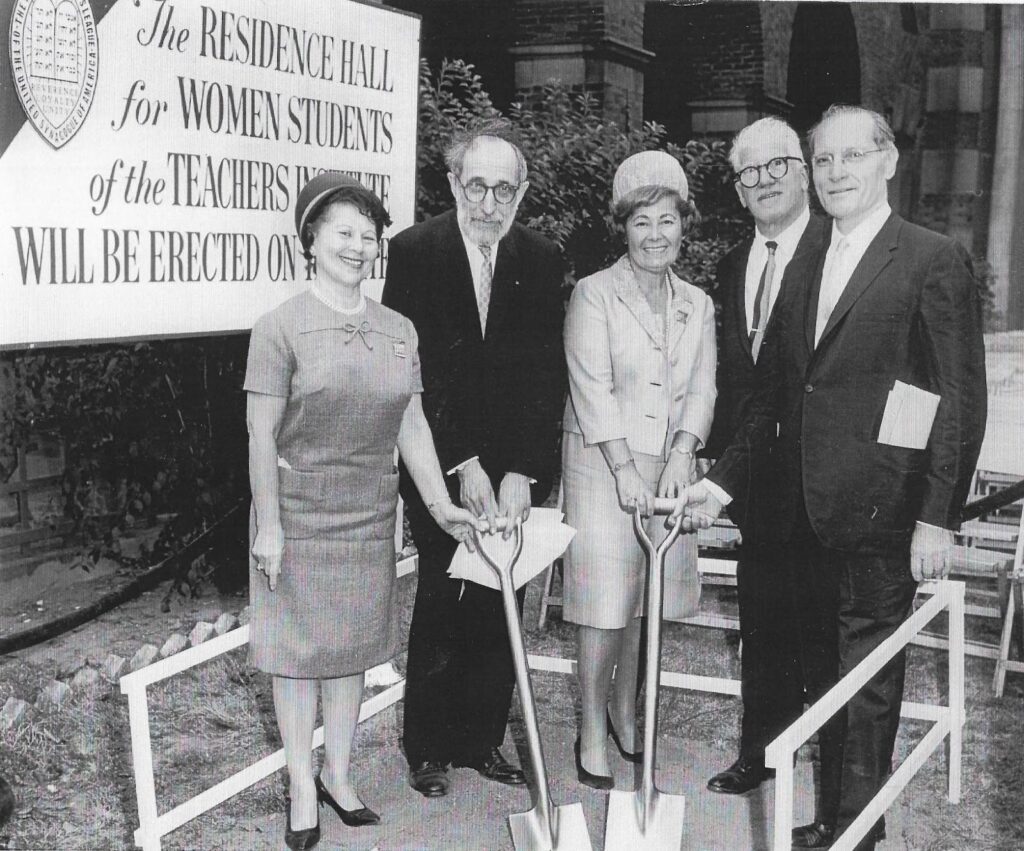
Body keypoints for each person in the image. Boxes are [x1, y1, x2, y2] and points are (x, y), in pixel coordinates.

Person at [676, 105, 987, 850]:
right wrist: (719, 483)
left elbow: (957, 398)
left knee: (868, 686)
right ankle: (836, 819)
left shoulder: (930, 257)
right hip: (810, 515)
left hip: (886, 516)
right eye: (824, 160)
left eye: (853, 156)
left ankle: (856, 832)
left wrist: (936, 517)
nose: (837, 172)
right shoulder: (806, 258)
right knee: (828, 676)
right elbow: (776, 397)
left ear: (888, 161)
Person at [246, 173, 483, 850]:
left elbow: (412, 423)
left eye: (369, 235)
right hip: (296, 513)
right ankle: (301, 785)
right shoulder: (279, 327)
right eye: (343, 232)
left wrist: (439, 505)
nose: (358, 245)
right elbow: (261, 433)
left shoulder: (398, 329)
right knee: (297, 656)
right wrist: (269, 525)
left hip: (368, 514)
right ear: (311, 240)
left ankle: (339, 775)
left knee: (349, 650)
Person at [382, 117, 567, 798]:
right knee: (443, 591)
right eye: (477, 186)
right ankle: (429, 746)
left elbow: (545, 374)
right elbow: (416, 371)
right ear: (455, 183)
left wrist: (522, 470)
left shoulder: (541, 258)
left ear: (523, 192)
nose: (489, 204)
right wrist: (462, 463)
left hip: (514, 469)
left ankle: (482, 738)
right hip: (440, 457)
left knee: (501, 596)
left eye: (504, 190)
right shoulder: (415, 251)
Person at [561, 150, 716, 788]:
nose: (656, 234)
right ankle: (590, 730)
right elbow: (590, 384)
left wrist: (682, 454)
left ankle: (625, 714)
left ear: (684, 225)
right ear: (622, 227)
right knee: (603, 602)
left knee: (644, 599)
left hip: (669, 465)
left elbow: (703, 388)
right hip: (601, 462)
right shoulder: (594, 293)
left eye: (667, 220)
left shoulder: (698, 303)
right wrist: (625, 467)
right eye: (641, 221)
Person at [702, 117, 829, 796]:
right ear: (737, 189)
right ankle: (763, 753)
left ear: (803, 171)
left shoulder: (838, 249)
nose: (764, 181)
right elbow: (737, 379)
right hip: (756, 486)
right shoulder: (732, 265)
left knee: (827, 635)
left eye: (776, 165)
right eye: (748, 172)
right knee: (764, 624)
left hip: (825, 483)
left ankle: (837, 782)